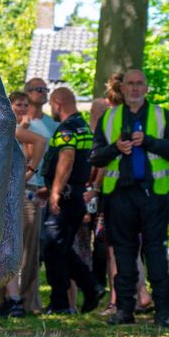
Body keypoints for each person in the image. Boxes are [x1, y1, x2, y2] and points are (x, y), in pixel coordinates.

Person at [90, 67, 169, 328]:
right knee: (123, 254)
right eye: (129, 84)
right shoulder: (109, 118)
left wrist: (150, 142)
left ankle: (162, 312)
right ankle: (124, 309)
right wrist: (115, 148)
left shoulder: (163, 116)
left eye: (139, 84)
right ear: (122, 89)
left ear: (146, 88)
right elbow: (95, 156)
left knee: (155, 253)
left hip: (153, 195)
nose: (134, 88)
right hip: (119, 195)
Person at [42, 82, 103, 315]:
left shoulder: (67, 129)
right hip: (75, 195)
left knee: (52, 246)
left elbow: (66, 159)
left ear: (58, 103)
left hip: (65, 197)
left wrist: (56, 190)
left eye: (51, 104)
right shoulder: (84, 127)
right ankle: (91, 287)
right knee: (62, 247)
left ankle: (61, 302)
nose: (51, 109)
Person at [0, 88, 49, 317]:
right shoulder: (12, 127)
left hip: (14, 192)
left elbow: (39, 143)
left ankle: (16, 299)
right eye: (17, 104)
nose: (21, 108)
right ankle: (10, 299)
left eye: (24, 105)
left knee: (10, 243)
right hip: (8, 190)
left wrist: (30, 171)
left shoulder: (13, 129)